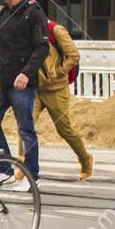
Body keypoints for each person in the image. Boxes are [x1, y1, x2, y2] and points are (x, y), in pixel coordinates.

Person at [0, 0, 50, 192]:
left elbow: (42, 48)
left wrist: (26, 74)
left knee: (25, 129)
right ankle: (4, 169)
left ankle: (32, 176)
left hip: (22, 83)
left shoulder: (34, 13)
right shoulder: (0, 11)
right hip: (1, 80)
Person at [27, 17, 91, 180]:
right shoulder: (23, 30)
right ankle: (25, 166)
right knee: (26, 126)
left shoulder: (55, 30)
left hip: (56, 89)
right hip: (34, 87)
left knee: (64, 129)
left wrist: (59, 71)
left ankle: (85, 159)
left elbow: (73, 55)